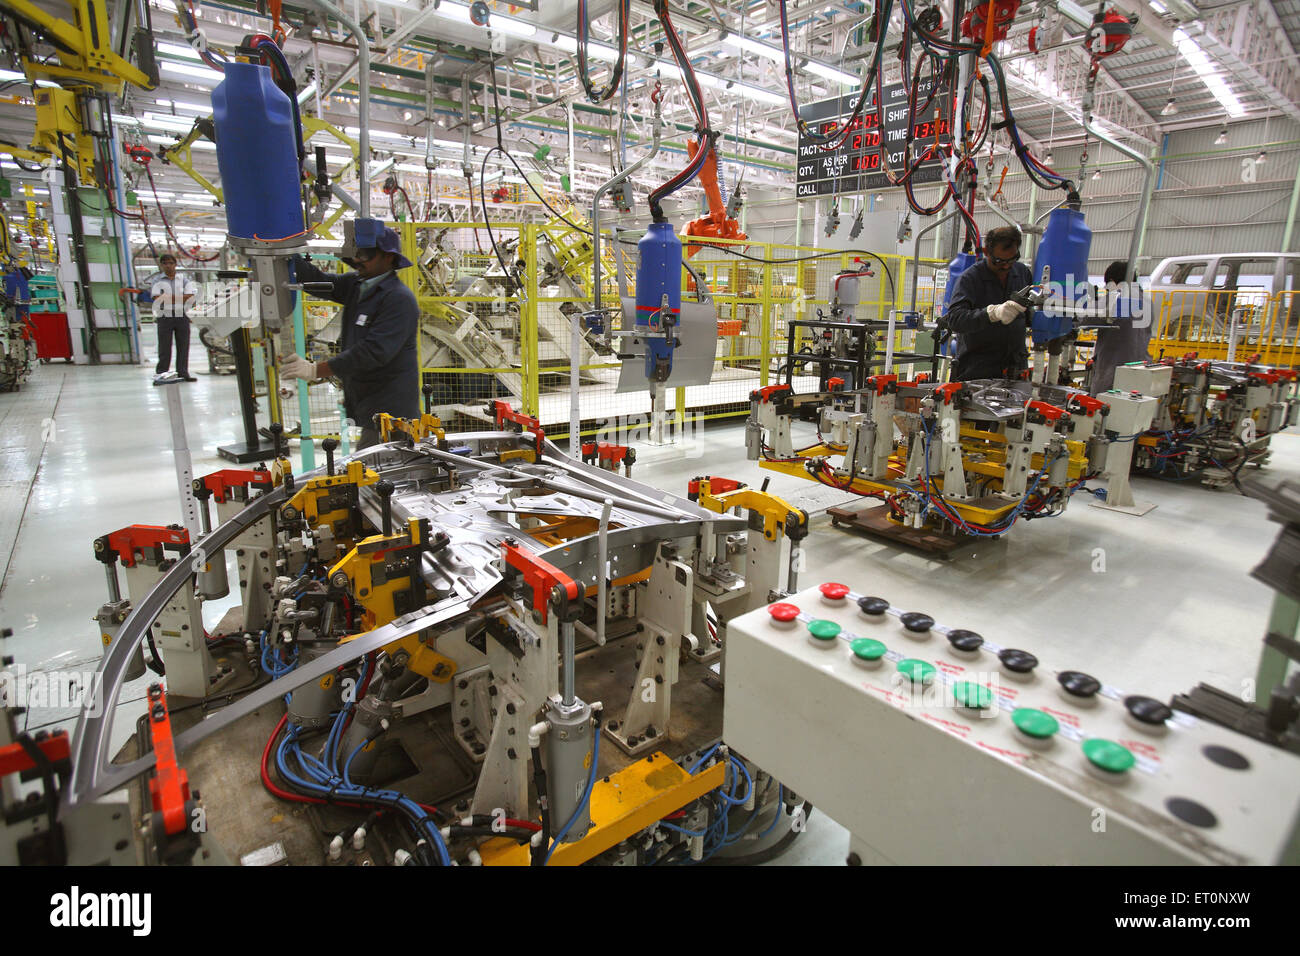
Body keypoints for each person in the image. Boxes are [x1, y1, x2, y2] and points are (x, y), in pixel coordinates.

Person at [280, 219, 419, 449]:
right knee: (371, 474)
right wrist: (287, 252)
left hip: (391, 413)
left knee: (370, 475)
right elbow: (319, 282)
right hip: (369, 403)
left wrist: (317, 370)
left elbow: (373, 352)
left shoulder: (398, 299)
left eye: (366, 254)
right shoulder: (357, 286)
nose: (357, 260)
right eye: (357, 253)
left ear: (389, 257)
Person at [944, 226, 1034, 382]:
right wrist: (992, 314)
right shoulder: (971, 278)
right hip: (978, 370)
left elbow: (1028, 313)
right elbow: (955, 319)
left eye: (1011, 260)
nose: (1005, 266)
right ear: (986, 253)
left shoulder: (1021, 273)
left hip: (1016, 368)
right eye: (999, 261)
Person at [1090, 260, 1151, 395]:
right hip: (1139, 368)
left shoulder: (1120, 299)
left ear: (1112, 281)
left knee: (1105, 409)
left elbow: (1086, 316)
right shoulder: (1146, 301)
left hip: (1114, 372)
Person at [151, 253, 198, 382]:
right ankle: (162, 374)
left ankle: (183, 373)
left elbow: (190, 296)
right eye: (165, 263)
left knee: (183, 345)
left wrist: (168, 298)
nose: (168, 266)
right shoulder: (157, 281)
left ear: (175, 265)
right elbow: (157, 299)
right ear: (161, 265)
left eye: (171, 263)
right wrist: (179, 298)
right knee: (164, 346)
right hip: (164, 316)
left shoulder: (184, 280)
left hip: (181, 316)